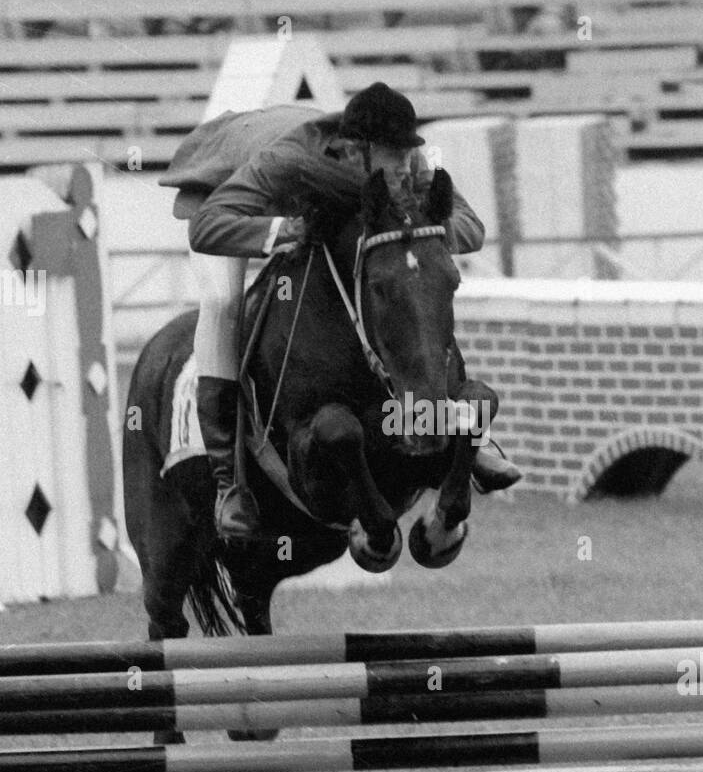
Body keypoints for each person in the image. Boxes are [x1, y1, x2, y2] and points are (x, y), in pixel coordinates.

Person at [189, 82, 521, 541]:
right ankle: (230, 482)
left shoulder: (409, 166)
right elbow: (207, 225)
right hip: (232, 200)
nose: (406, 168)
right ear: (354, 151)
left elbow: (471, 228)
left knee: (411, 286)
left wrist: (427, 233)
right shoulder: (288, 161)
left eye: (409, 155)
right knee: (223, 303)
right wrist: (286, 230)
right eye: (394, 156)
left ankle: (459, 439)